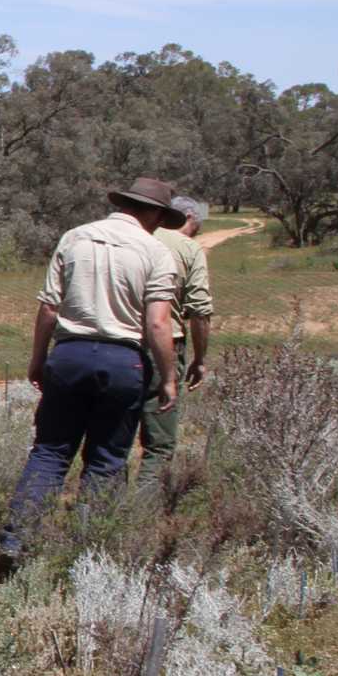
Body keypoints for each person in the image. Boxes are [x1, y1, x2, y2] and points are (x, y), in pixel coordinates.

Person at [0, 177, 182, 579]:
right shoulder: (155, 252)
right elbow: (159, 324)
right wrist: (168, 377)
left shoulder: (75, 237)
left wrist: (38, 358)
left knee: (49, 452)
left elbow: (47, 308)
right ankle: (88, 550)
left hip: (69, 354)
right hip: (123, 361)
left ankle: (17, 539)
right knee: (107, 460)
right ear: (156, 215)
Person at [137, 193, 215, 480]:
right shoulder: (188, 249)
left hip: (121, 345)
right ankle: (144, 514)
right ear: (189, 218)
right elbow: (200, 311)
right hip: (166, 347)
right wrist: (200, 358)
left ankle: (104, 512)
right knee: (159, 444)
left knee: (113, 439)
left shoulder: (137, 237)